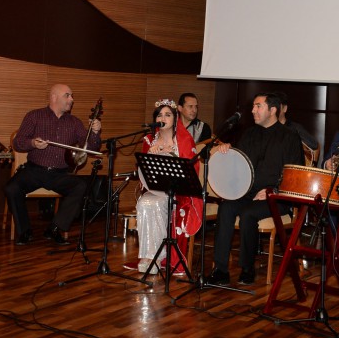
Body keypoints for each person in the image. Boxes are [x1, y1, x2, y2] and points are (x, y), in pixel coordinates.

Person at [208, 92, 303, 286]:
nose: (253, 110)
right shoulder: (249, 133)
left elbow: (295, 173)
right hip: (247, 192)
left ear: (272, 110)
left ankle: (247, 268)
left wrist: (273, 190)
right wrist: (227, 151)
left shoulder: (289, 136)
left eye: (258, 106)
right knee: (226, 208)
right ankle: (220, 270)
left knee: (248, 214)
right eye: (253, 106)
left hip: (276, 197)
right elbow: (238, 164)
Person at [4, 84, 101, 245]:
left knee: (80, 186)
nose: (72, 99)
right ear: (54, 97)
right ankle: (25, 231)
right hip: (34, 170)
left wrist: (95, 133)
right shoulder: (34, 116)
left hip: (60, 174)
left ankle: (55, 228)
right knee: (11, 188)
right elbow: (18, 142)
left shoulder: (74, 122)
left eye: (72, 96)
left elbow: (92, 148)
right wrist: (33, 143)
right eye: (68, 95)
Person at [124, 99, 200, 276]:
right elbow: (143, 175)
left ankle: (159, 256)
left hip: (178, 192)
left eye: (168, 114)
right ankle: (147, 256)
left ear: (175, 118)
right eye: (160, 115)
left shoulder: (184, 140)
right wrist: (150, 156)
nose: (163, 118)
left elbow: (191, 171)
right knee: (144, 203)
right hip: (155, 189)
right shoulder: (150, 140)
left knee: (157, 205)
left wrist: (172, 155)